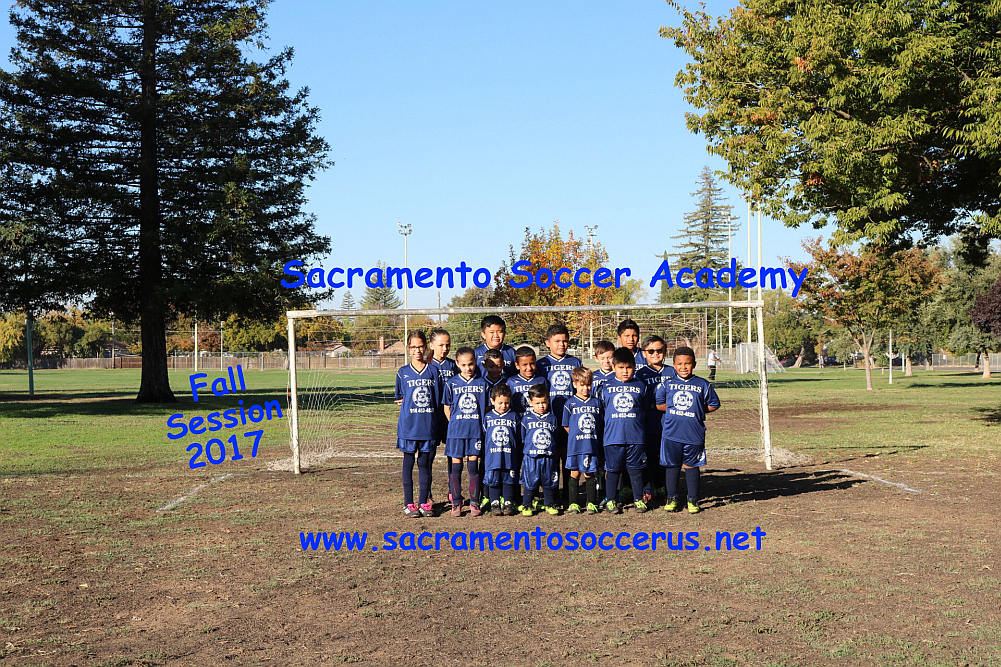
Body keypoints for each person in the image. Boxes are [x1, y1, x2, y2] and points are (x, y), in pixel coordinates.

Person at [655, 346, 721, 514]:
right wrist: (677, 409)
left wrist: (696, 409)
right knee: (672, 466)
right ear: (674, 365)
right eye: (679, 364)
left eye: (687, 363)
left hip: (694, 434)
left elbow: (714, 404)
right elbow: (659, 404)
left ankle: (693, 499)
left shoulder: (702, 384)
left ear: (694, 364)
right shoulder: (668, 384)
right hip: (671, 434)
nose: (683, 367)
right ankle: (671, 498)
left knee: (691, 466)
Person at [394, 330, 443, 518]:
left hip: (427, 426)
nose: (417, 350)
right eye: (413, 347)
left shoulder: (433, 371)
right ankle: (408, 503)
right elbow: (400, 397)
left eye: (420, 346)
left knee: (425, 465)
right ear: (408, 349)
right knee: (408, 464)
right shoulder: (402, 372)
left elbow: (437, 400)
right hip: (408, 427)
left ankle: (423, 502)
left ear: (426, 348)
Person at [597, 347, 648, 514]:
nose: (625, 371)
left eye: (629, 367)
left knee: (636, 470)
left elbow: (643, 410)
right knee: (613, 470)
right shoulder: (605, 387)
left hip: (635, 437)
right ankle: (611, 500)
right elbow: (602, 412)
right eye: (621, 367)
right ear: (613, 367)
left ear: (634, 367)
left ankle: (638, 499)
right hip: (613, 437)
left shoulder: (641, 386)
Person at [535, 323, 581, 508]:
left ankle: (569, 495)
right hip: (550, 418)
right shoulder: (541, 364)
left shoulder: (575, 362)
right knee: (551, 458)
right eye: (557, 341)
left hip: (571, 419)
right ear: (547, 343)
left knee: (568, 457)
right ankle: (551, 495)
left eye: (565, 341)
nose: (562, 344)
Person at [442, 347, 488, 517]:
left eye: (471, 364)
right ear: (457, 364)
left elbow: (486, 407)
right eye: (463, 365)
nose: (468, 368)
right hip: (456, 433)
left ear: (475, 362)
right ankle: (456, 502)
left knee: (473, 466)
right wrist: (455, 424)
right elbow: (447, 407)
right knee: (456, 467)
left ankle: (475, 501)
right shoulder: (451, 383)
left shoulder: (482, 383)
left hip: (475, 432)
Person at [635, 335, 674, 503]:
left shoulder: (672, 371)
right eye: (651, 351)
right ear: (644, 353)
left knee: (665, 457)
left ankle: (662, 487)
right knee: (649, 456)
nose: (655, 354)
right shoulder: (640, 374)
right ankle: (647, 489)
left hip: (670, 423)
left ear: (665, 351)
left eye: (659, 350)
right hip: (649, 422)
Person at [563, 366, 602, 514]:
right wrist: (577, 435)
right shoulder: (569, 403)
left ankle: (591, 502)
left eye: (588, 385)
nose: (585, 388)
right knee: (575, 473)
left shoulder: (596, 402)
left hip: (591, 445)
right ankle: (573, 503)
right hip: (575, 446)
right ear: (574, 384)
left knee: (590, 473)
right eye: (582, 385)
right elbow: (566, 425)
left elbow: (600, 423)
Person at [519, 384, 560, 516]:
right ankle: (527, 504)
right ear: (531, 402)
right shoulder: (526, 418)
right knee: (530, 481)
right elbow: (523, 437)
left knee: (549, 481)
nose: (541, 406)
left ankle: (549, 503)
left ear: (548, 400)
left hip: (548, 456)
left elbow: (555, 437)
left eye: (544, 402)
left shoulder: (552, 418)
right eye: (537, 403)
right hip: (532, 456)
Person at [427, 328, 457, 496]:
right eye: (441, 345)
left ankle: (453, 492)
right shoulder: (427, 365)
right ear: (431, 345)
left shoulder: (453, 365)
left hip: (450, 417)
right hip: (431, 418)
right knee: (428, 456)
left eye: (448, 345)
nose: (445, 349)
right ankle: (427, 494)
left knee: (453, 456)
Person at [482, 383, 520, 515]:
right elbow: (485, 434)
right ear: (492, 401)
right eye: (500, 403)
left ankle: (508, 502)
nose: (503, 406)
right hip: (493, 456)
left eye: (506, 402)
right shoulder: (488, 417)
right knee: (493, 479)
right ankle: (495, 502)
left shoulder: (513, 416)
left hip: (509, 455)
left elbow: (518, 436)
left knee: (508, 478)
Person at [507, 345, 547, 416]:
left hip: (537, 420)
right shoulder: (511, 382)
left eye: (532, 364)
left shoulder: (541, 380)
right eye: (525, 365)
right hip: (519, 419)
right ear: (517, 365)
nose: (529, 368)